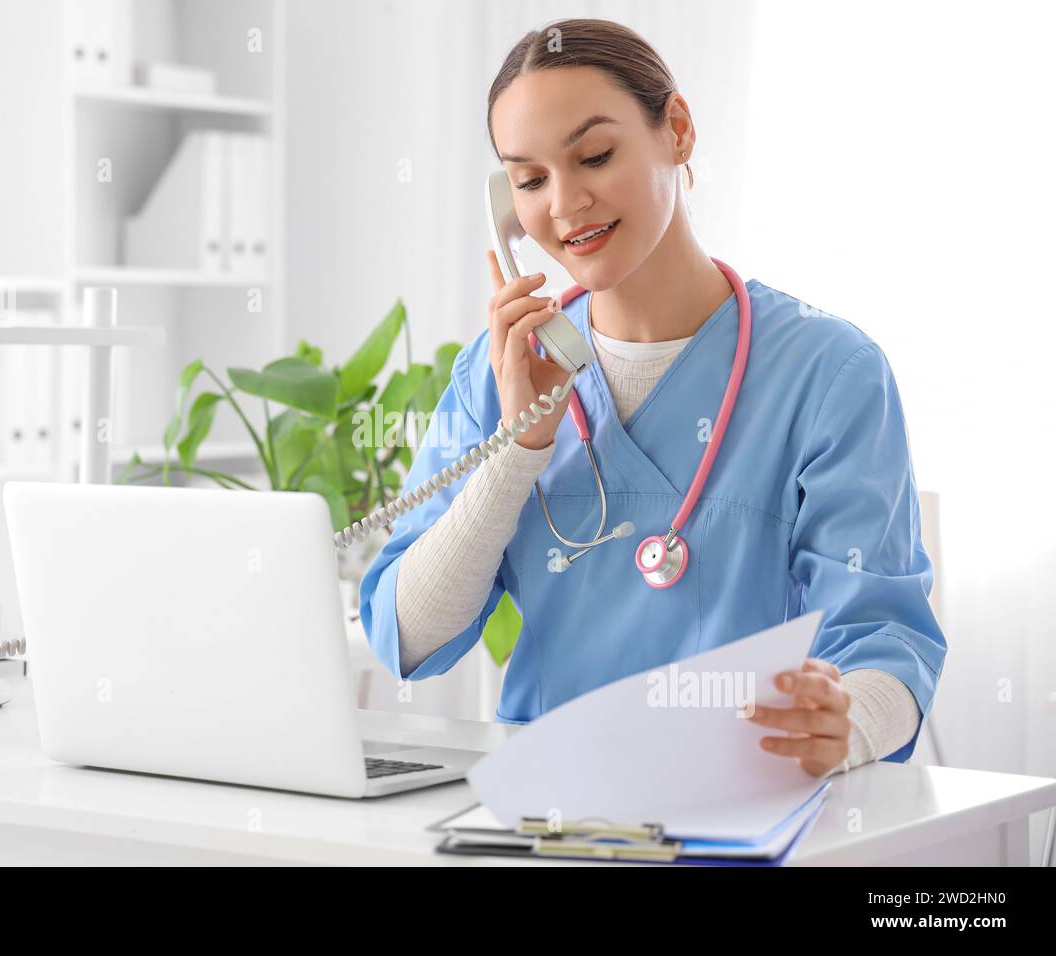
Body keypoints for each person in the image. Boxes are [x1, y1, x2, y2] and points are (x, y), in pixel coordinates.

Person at [359, 18, 945, 777]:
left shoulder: (828, 372)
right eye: (530, 179)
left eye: (595, 156)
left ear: (676, 128)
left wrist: (846, 728)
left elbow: (883, 644)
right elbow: (410, 637)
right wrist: (518, 450)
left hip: (744, 803)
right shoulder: (497, 372)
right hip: (544, 811)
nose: (565, 205)